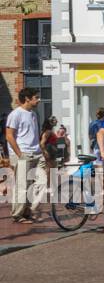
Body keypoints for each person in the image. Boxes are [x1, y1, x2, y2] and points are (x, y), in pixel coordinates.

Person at [5, 88, 44, 223]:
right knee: (22, 185)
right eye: (36, 97)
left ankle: (28, 211)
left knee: (37, 184)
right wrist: (19, 154)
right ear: (27, 98)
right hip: (23, 153)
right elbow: (9, 135)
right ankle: (18, 214)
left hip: (36, 153)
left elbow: (33, 134)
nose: (39, 100)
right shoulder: (16, 114)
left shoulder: (33, 114)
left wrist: (41, 149)